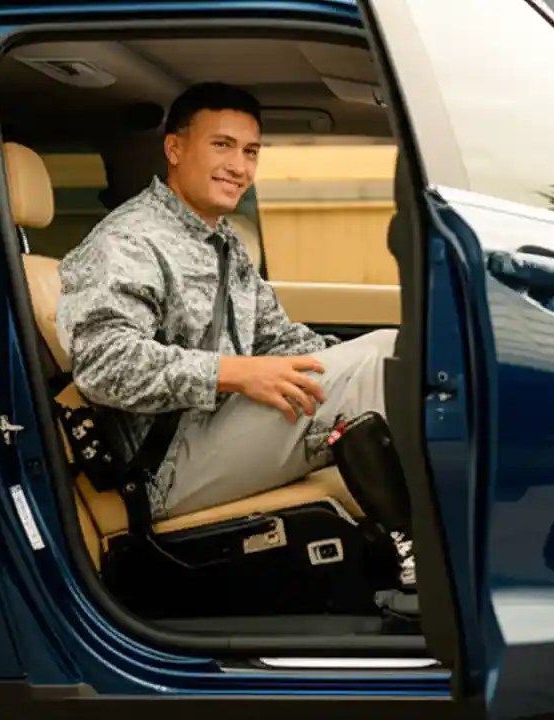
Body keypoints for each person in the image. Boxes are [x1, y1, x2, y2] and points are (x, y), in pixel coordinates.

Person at [55, 82, 397, 521]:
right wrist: (231, 373)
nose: (239, 166)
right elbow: (103, 367)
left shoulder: (221, 240)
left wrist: (340, 359)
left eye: (251, 152)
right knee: (381, 367)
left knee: (393, 352)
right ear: (175, 149)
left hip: (219, 426)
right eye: (222, 146)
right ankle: (421, 550)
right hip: (164, 464)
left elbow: (279, 338)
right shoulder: (127, 241)